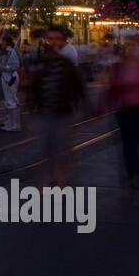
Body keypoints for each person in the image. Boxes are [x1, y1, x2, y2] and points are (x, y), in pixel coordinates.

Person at [26, 26, 85, 187]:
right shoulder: (39, 62)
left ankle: (61, 185)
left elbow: (79, 87)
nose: (53, 43)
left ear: (62, 41)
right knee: (45, 152)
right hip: (44, 113)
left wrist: (86, 106)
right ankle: (45, 185)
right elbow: (32, 86)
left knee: (61, 152)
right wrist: (31, 105)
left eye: (57, 39)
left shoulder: (67, 64)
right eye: (50, 39)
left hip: (63, 114)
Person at [102, 39, 139, 200]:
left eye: (136, 47)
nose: (133, 49)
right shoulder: (118, 68)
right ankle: (131, 180)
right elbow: (112, 89)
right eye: (130, 47)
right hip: (125, 111)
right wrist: (104, 107)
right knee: (129, 148)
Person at [0, 34, 21, 132]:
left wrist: (2, 67)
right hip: (6, 77)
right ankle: (11, 122)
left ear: (6, 42)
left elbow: (15, 66)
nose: (0, 43)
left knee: (11, 99)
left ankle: (15, 124)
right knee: (8, 99)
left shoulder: (11, 52)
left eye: (2, 41)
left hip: (10, 77)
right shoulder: (6, 52)